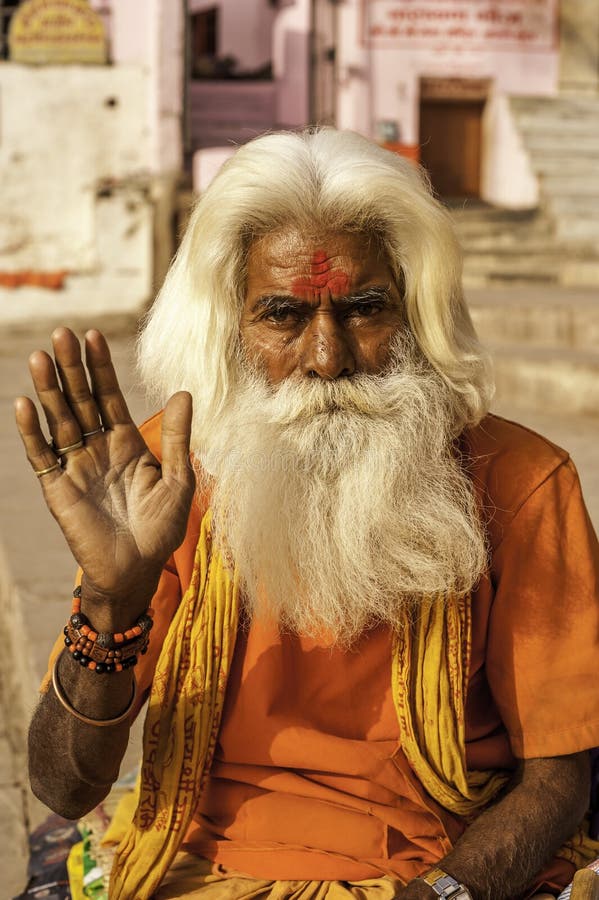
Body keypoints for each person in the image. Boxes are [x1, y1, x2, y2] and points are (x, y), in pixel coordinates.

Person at [15, 128, 599, 900]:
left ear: (416, 314)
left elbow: (558, 782)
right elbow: (64, 788)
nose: (327, 358)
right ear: (228, 326)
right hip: (195, 868)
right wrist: (109, 600)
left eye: (363, 309)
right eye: (282, 315)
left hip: (438, 872)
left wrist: (444, 894)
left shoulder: (522, 482)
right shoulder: (164, 479)